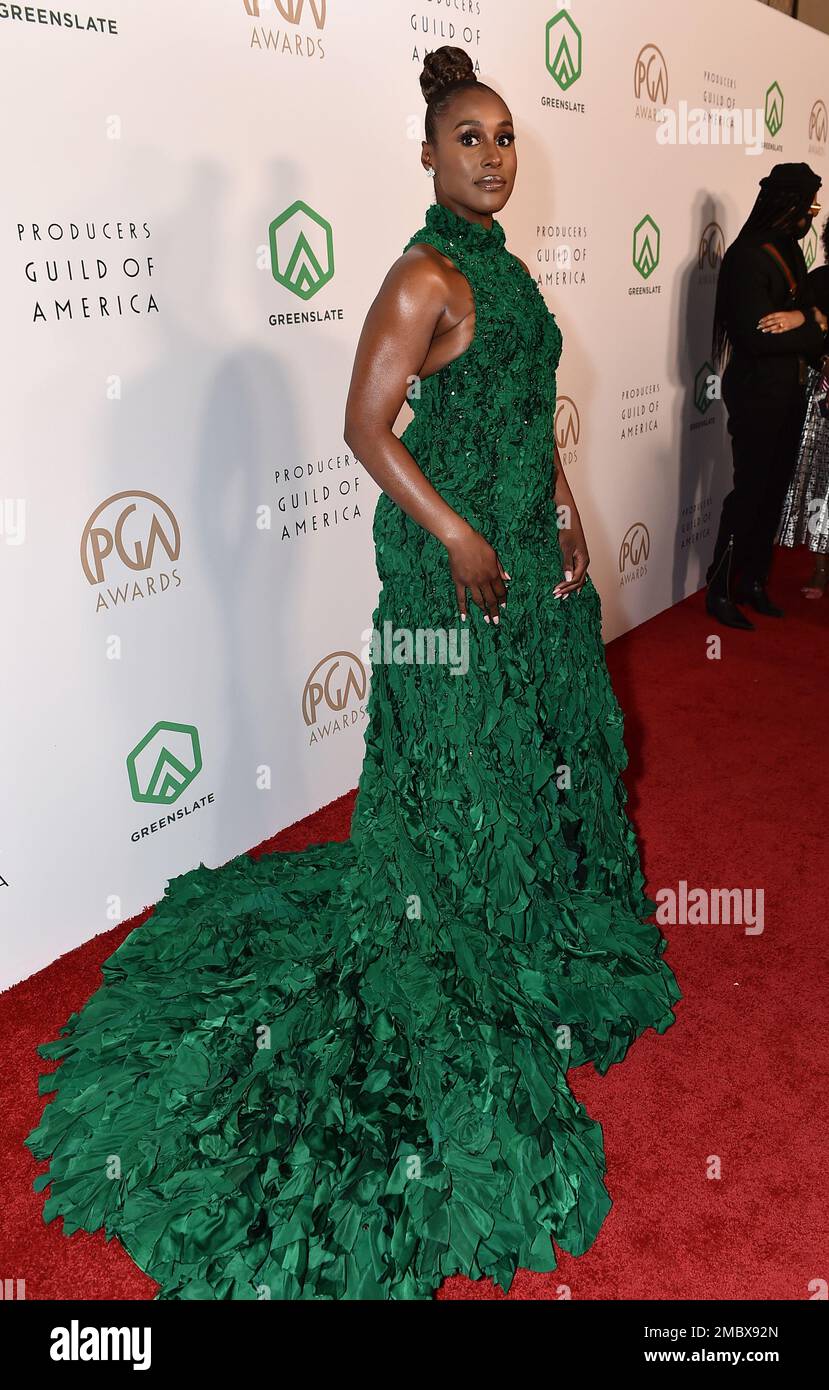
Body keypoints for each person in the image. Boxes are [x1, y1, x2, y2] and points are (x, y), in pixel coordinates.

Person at [24, 46, 681, 1301]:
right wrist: (458, 534)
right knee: (459, 751)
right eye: (467, 139)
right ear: (425, 156)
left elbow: (525, 404)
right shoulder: (418, 277)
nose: (491, 155)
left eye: (503, 138)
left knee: (528, 746)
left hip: (522, 543)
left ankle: (508, 910)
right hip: (446, 563)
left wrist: (560, 505)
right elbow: (363, 429)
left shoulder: (503, 269)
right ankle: (445, 915)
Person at [707, 162, 828, 630]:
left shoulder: (790, 254)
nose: (812, 216)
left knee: (774, 491)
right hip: (757, 392)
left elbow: (801, 320)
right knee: (750, 492)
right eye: (808, 205)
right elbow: (754, 335)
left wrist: (803, 321)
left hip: (790, 391)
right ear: (788, 204)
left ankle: (753, 581)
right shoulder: (748, 257)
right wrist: (812, 326)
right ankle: (719, 589)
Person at [776, 214, 829, 597]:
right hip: (825, 393)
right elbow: (809, 337)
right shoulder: (820, 281)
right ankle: (821, 566)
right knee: (820, 480)